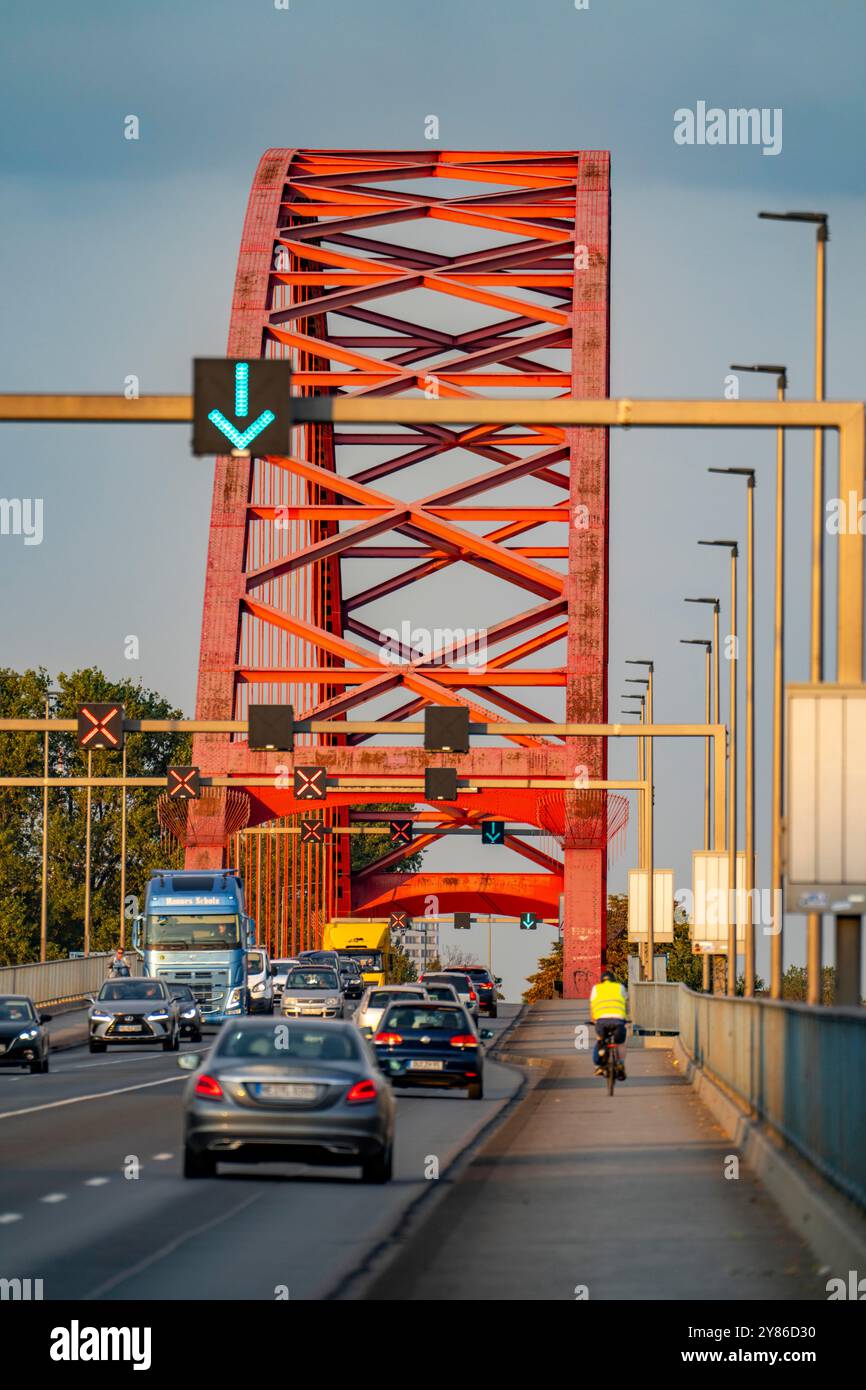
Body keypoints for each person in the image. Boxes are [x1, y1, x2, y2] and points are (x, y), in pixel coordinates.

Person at [589, 969, 628, 1080]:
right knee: (620, 1043)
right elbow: (625, 1005)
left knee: (600, 1038)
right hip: (618, 1021)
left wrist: (593, 1020)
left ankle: (598, 1064)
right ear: (613, 980)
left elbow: (592, 1007)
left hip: (601, 1022)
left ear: (602, 981)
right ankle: (620, 1063)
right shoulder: (620, 987)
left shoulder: (596, 988)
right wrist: (625, 1018)